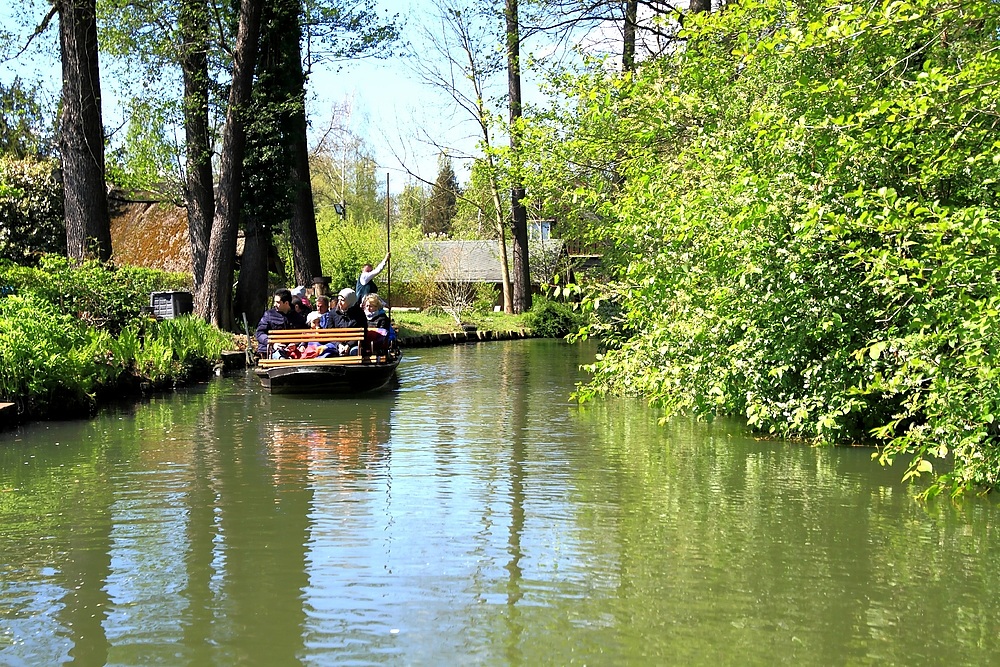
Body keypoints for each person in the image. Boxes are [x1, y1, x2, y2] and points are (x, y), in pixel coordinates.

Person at [255, 288, 307, 357]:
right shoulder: (269, 315)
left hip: (291, 353)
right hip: (272, 351)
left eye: (278, 302)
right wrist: (272, 343)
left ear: (286, 303)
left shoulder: (298, 318)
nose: (274, 304)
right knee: (280, 356)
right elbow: (259, 333)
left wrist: (298, 345)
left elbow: (305, 334)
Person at [330, 288, 366, 355]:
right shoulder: (333, 313)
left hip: (354, 344)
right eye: (339, 300)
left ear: (350, 300)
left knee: (355, 352)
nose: (339, 303)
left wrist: (349, 345)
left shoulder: (359, 313)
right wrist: (339, 345)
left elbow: (363, 332)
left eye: (342, 300)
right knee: (329, 351)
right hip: (337, 344)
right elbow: (330, 333)